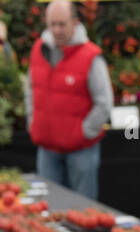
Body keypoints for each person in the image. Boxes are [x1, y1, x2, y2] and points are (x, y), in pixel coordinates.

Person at [24, 0, 112, 199]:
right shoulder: (38, 50)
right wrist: (33, 123)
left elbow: (104, 102)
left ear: (75, 22)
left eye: (62, 24)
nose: (56, 30)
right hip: (47, 148)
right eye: (52, 24)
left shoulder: (91, 56)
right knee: (50, 208)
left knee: (82, 209)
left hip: (80, 151)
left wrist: (83, 132)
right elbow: (30, 90)